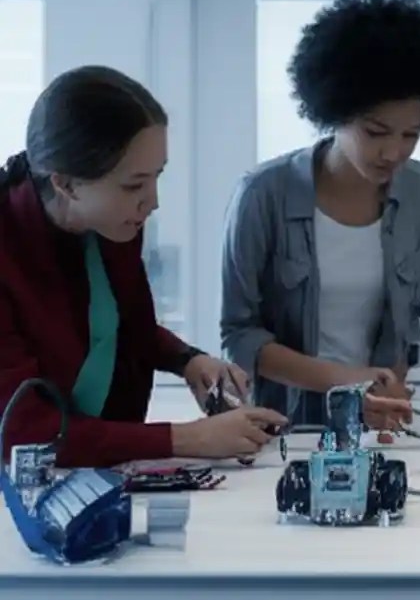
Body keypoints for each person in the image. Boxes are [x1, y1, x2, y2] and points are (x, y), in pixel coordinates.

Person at [0, 65, 289, 468]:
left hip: (99, 470)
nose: (152, 202)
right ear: (66, 184)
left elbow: (122, 326)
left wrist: (189, 360)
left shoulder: (112, 224)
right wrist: (187, 438)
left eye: (157, 177)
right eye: (133, 185)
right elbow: (24, 430)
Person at [222, 0, 420, 427]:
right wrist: (351, 383)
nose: (394, 151)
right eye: (375, 132)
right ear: (333, 110)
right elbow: (240, 336)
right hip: (285, 428)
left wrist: (387, 390)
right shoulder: (263, 193)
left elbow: (407, 318)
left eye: (411, 134)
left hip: (378, 426)